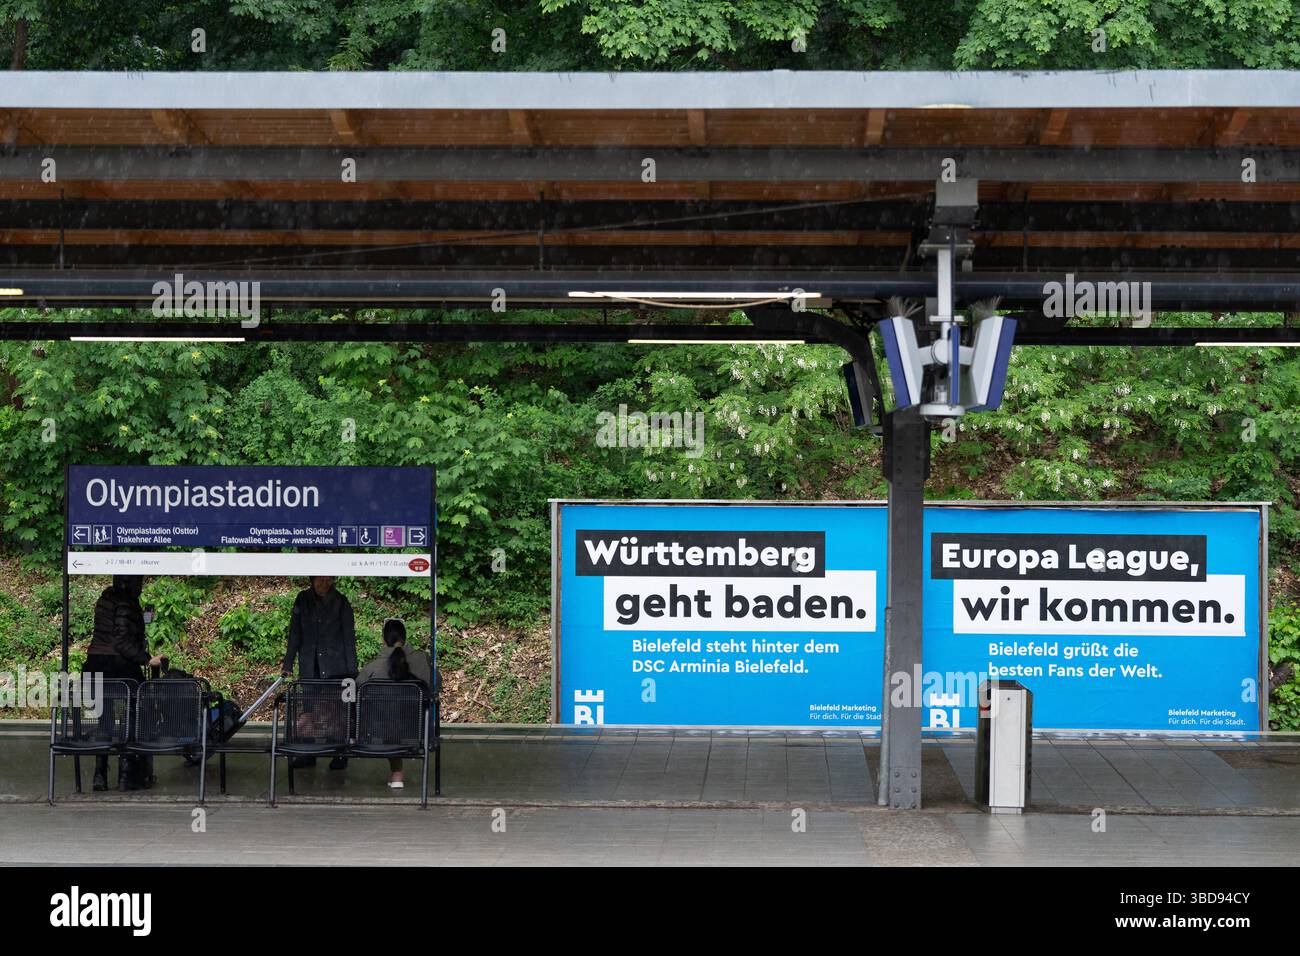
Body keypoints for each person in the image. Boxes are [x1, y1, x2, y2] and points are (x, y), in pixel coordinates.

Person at [85, 575, 164, 792]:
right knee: (134, 713)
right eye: (139, 583)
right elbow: (121, 641)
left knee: (105, 720)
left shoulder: (105, 599)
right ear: (131, 584)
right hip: (118, 667)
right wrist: (147, 659)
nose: (142, 587)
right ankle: (126, 775)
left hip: (94, 666)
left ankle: (99, 775)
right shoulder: (126, 604)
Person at [281, 576, 357, 770]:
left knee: (337, 711)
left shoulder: (341, 602)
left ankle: (339, 753)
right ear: (312, 580)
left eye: (327, 580)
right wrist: (288, 662)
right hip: (309, 666)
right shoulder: (302, 599)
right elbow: (294, 633)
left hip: (336, 666)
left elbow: (349, 638)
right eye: (319, 580)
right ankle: (308, 752)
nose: (323, 584)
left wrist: (352, 672)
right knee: (308, 708)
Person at [358, 619, 434, 789]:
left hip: (379, 730)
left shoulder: (373, 668)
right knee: (399, 717)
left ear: (383, 640)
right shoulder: (422, 661)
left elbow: (356, 690)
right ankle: (398, 774)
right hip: (417, 729)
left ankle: (397, 772)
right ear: (405, 638)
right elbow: (435, 688)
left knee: (389, 718)